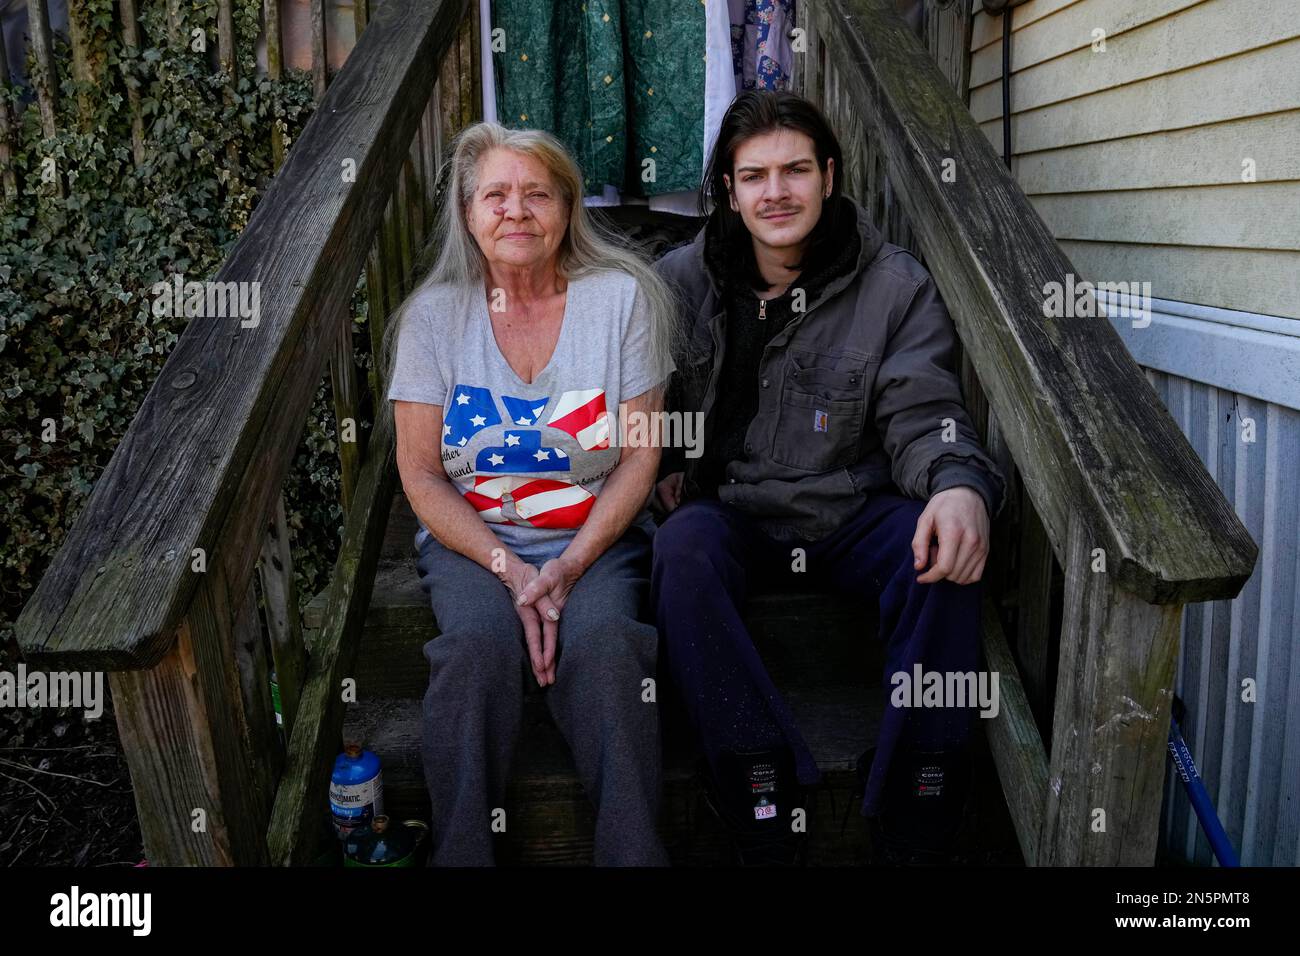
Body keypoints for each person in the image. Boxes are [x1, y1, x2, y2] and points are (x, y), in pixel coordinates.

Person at [650, 90, 1006, 865]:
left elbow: (925, 414)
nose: (775, 191)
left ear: (830, 176)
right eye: (754, 176)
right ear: (729, 191)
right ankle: (755, 780)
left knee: (943, 556)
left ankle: (920, 797)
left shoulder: (893, 286)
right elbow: (642, 402)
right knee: (680, 553)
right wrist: (667, 466)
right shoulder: (679, 282)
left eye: (795, 170)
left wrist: (956, 484)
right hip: (729, 511)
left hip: (847, 508)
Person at [384, 121, 676, 866]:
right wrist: (512, 573)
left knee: (611, 651)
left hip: (598, 539)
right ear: (468, 213)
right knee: (477, 650)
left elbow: (641, 457)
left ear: (568, 208)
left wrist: (570, 567)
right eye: (496, 195)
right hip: (476, 543)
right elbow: (418, 473)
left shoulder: (623, 300)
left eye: (537, 194)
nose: (516, 211)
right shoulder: (432, 318)